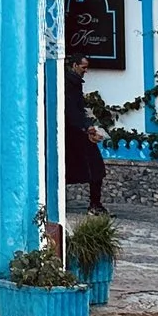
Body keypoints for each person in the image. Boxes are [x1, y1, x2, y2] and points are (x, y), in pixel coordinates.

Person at [66, 59, 107, 215]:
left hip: (76, 132)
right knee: (95, 167)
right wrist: (86, 127)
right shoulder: (70, 84)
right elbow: (72, 110)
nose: (86, 71)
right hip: (75, 134)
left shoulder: (74, 83)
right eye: (83, 67)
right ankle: (94, 204)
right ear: (75, 65)